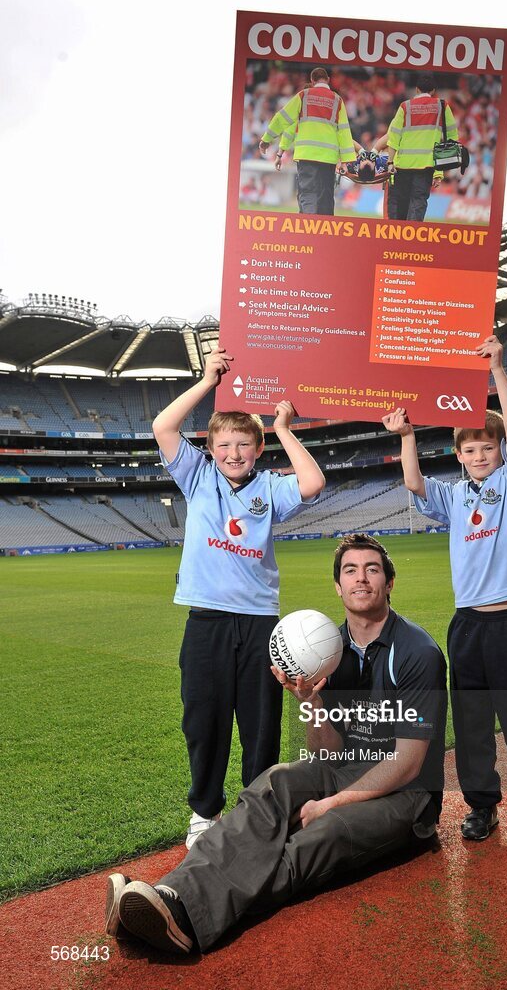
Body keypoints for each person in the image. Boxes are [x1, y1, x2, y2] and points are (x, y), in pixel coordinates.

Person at [104, 534, 447, 954]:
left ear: (389, 583)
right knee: (272, 785)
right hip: (348, 769)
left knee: (320, 834)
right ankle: (166, 895)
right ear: (338, 586)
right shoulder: (327, 650)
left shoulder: (418, 652)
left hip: (407, 795)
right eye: (350, 571)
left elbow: (409, 763)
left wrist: (330, 804)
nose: (361, 579)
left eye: (372, 569)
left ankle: (183, 919)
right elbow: (328, 754)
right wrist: (314, 703)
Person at [383, 334, 507, 846]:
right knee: (474, 727)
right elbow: (415, 484)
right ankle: (483, 806)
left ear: (500, 450)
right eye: (471, 448)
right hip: (468, 625)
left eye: (488, 446)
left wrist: (497, 369)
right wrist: (408, 436)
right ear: (459, 454)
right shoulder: (455, 495)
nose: (480, 454)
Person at [152, 346, 325, 849]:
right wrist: (208, 381)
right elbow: (165, 427)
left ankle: (260, 809)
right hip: (206, 621)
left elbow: (312, 482)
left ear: (258, 448)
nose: (233, 453)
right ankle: (204, 812)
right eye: (224, 444)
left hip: (258, 625)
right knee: (203, 720)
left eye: (244, 445)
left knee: (260, 725)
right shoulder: (197, 476)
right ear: (210, 448)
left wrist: (286, 429)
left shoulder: (270, 486)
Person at [258, 67, 356, 215]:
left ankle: (308, 231)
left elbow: (282, 118)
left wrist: (267, 139)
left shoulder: (303, 96)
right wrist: (346, 160)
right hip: (328, 158)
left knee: (308, 194)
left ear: (312, 80)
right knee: (326, 197)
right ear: (328, 80)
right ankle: (325, 233)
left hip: (306, 155)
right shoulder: (337, 100)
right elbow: (344, 131)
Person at [385, 74, 459, 221]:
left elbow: (393, 137)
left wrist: (390, 162)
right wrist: (439, 173)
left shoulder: (405, 107)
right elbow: (451, 139)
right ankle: (412, 240)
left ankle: (397, 238)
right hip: (426, 166)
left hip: (403, 166)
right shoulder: (442, 106)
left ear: (417, 90)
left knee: (402, 204)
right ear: (433, 91)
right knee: (418, 202)